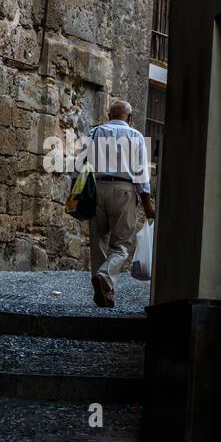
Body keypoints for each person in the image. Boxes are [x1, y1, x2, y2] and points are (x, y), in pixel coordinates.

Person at [87, 99, 155, 309]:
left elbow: (79, 166)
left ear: (108, 116)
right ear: (130, 118)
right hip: (124, 191)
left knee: (98, 241)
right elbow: (141, 174)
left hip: (96, 189)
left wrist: (77, 193)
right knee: (122, 245)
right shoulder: (135, 137)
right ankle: (104, 276)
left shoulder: (94, 133)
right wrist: (147, 203)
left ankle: (105, 292)